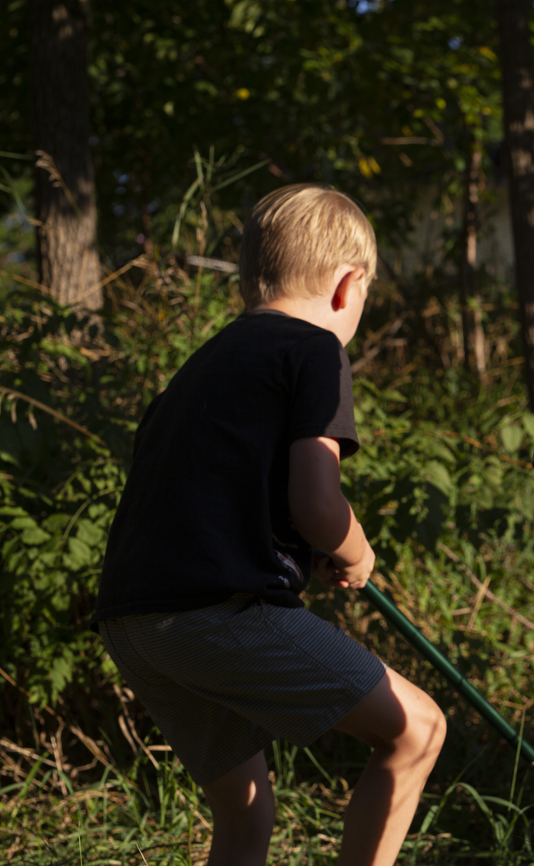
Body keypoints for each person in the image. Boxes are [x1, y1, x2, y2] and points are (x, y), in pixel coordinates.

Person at [93, 184, 446, 866]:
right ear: (349, 286)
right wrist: (355, 547)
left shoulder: (203, 365)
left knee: (246, 812)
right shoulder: (314, 350)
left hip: (133, 623)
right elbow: (318, 501)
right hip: (216, 614)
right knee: (418, 732)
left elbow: (214, 493)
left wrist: (291, 541)